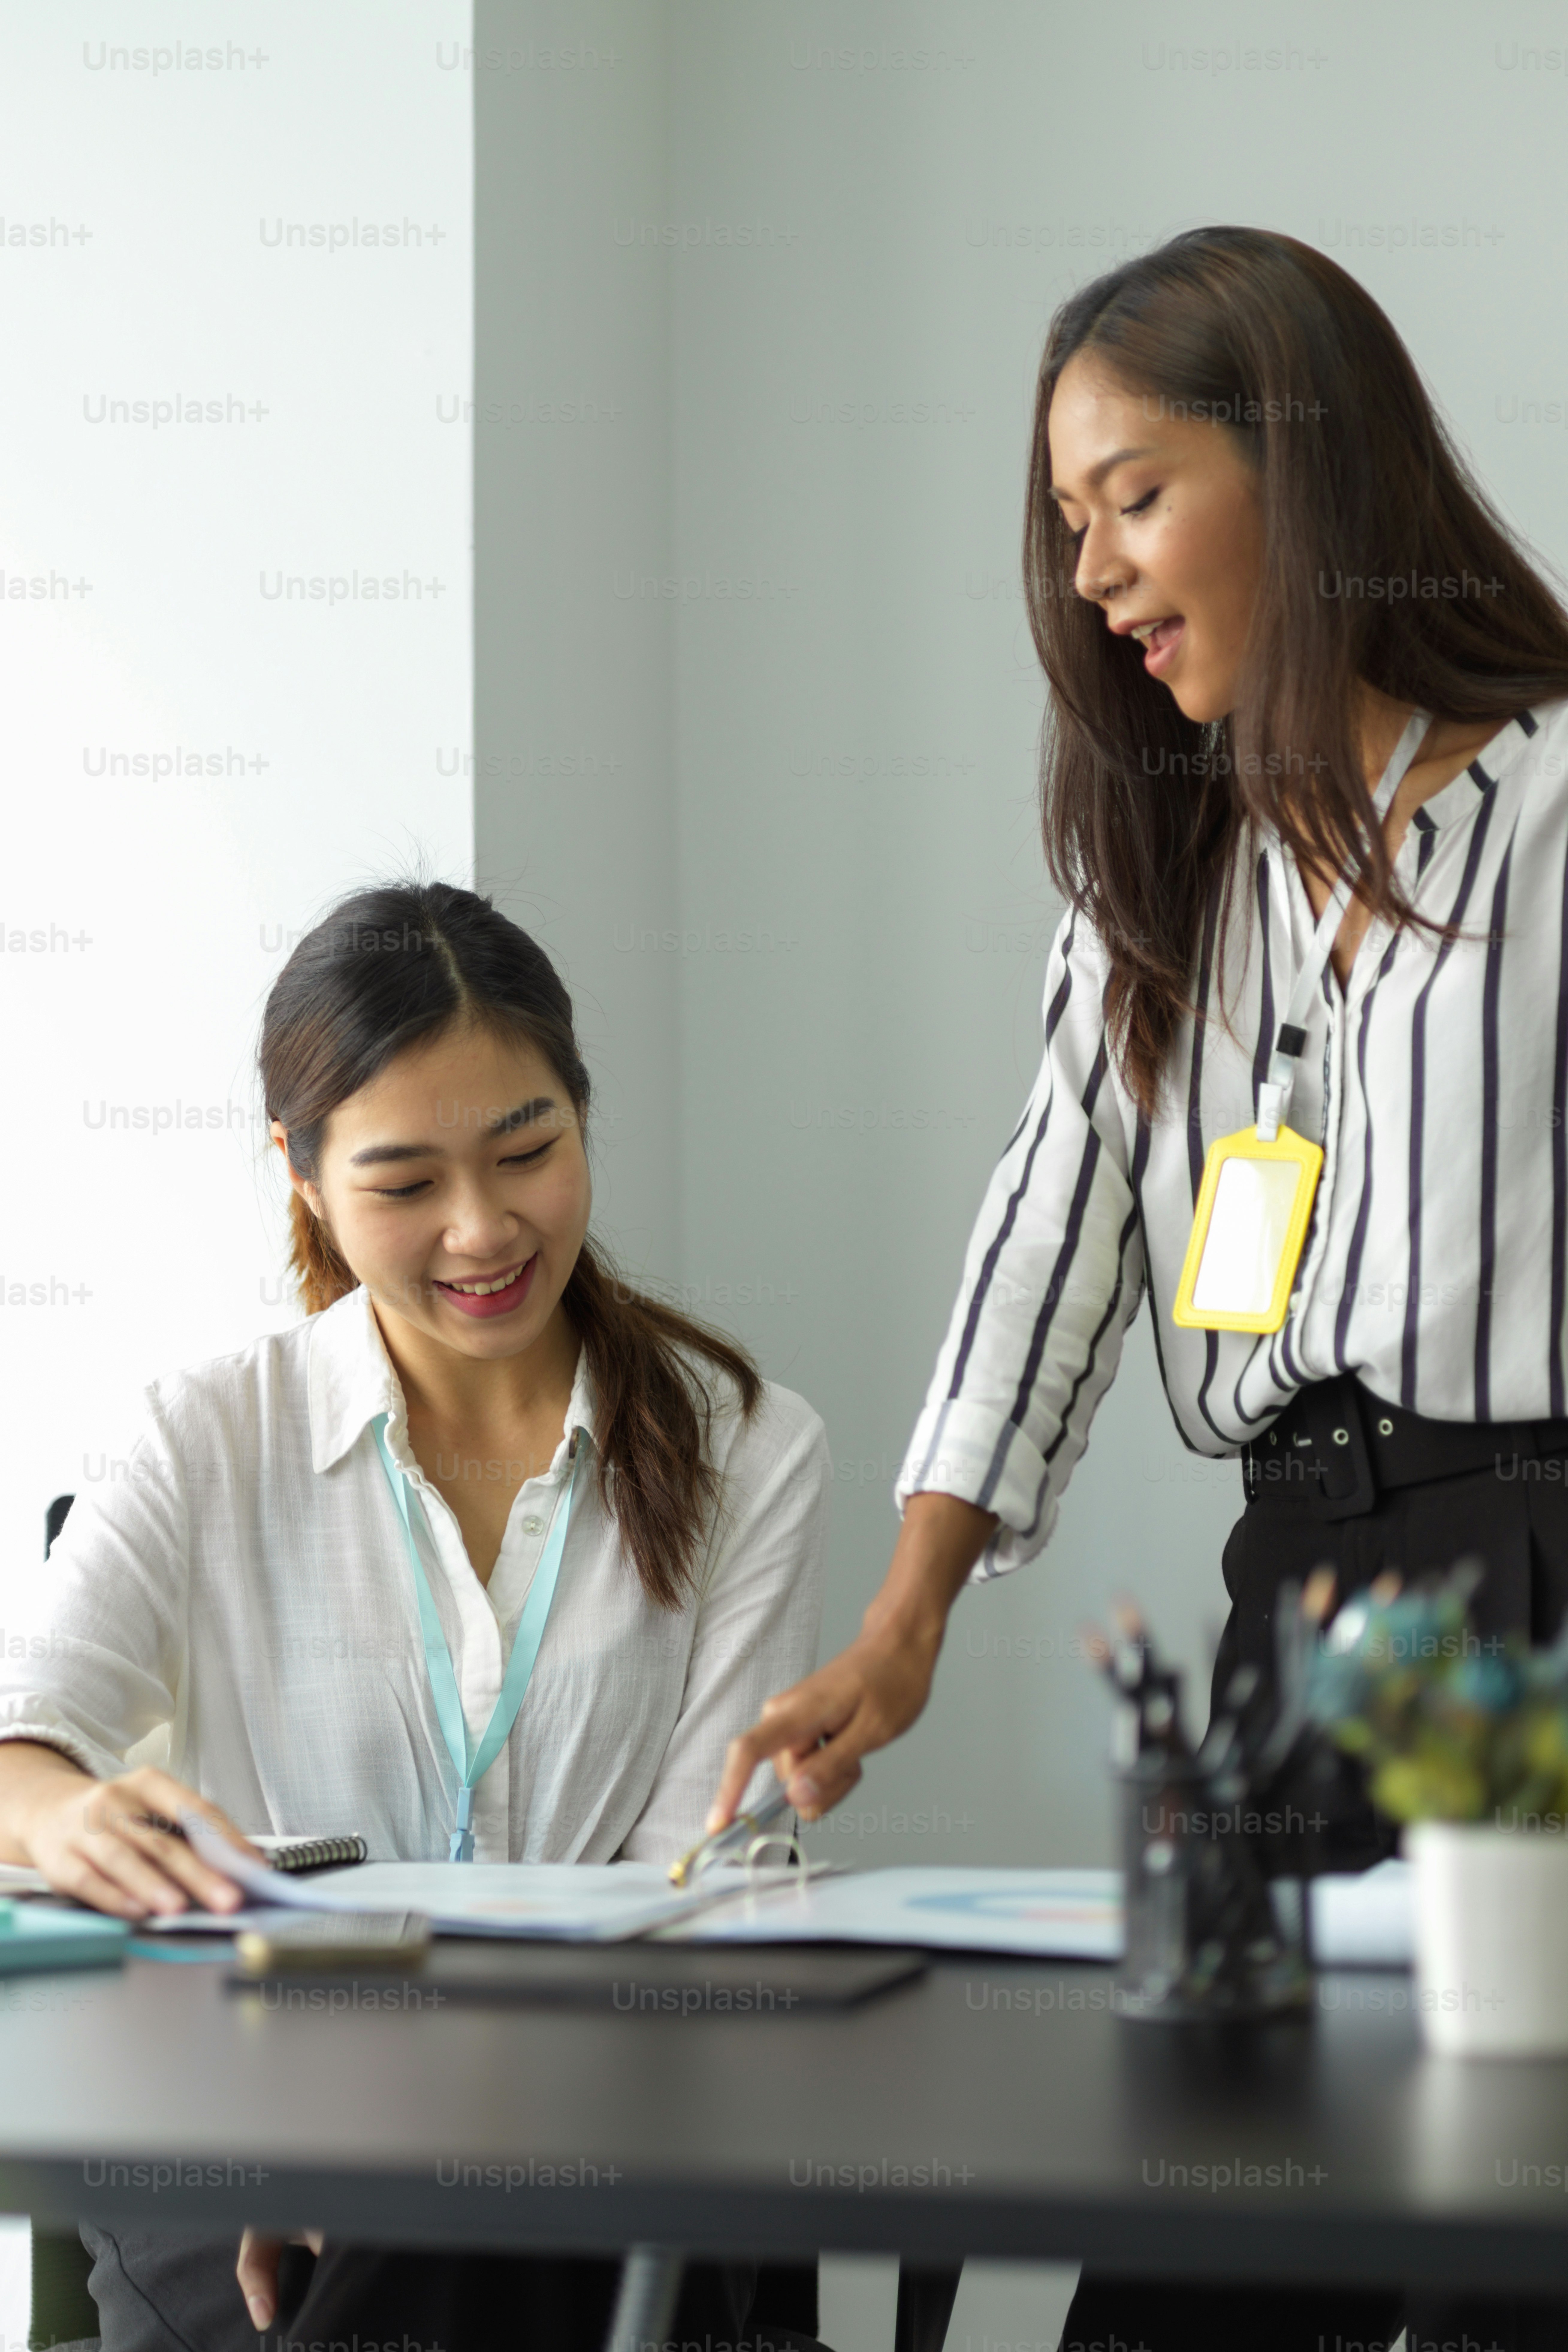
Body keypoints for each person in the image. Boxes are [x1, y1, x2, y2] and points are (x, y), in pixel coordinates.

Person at [709, 224, 1568, 2352]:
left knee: (1506, 2245)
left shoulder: (1551, 803)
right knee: (1194, 2252)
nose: (1088, 573)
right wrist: (898, 1623)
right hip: (1291, 1593)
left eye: (1131, 495)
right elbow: (1048, 1228)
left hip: (1538, 1584)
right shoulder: (1158, 864)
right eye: (1063, 521)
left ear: (1307, 465)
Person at [0, 880, 830, 2352]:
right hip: (237, 2124)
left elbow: (690, 1892)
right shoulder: (205, 1439)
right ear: (301, 1175)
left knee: (469, 2221)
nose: (481, 1229)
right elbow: (19, 1744)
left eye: (529, 1151)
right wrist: (66, 1820)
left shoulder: (748, 1451)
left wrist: (398, 2139)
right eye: (402, 1183)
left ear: (582, 1114)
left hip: (599, 2125)